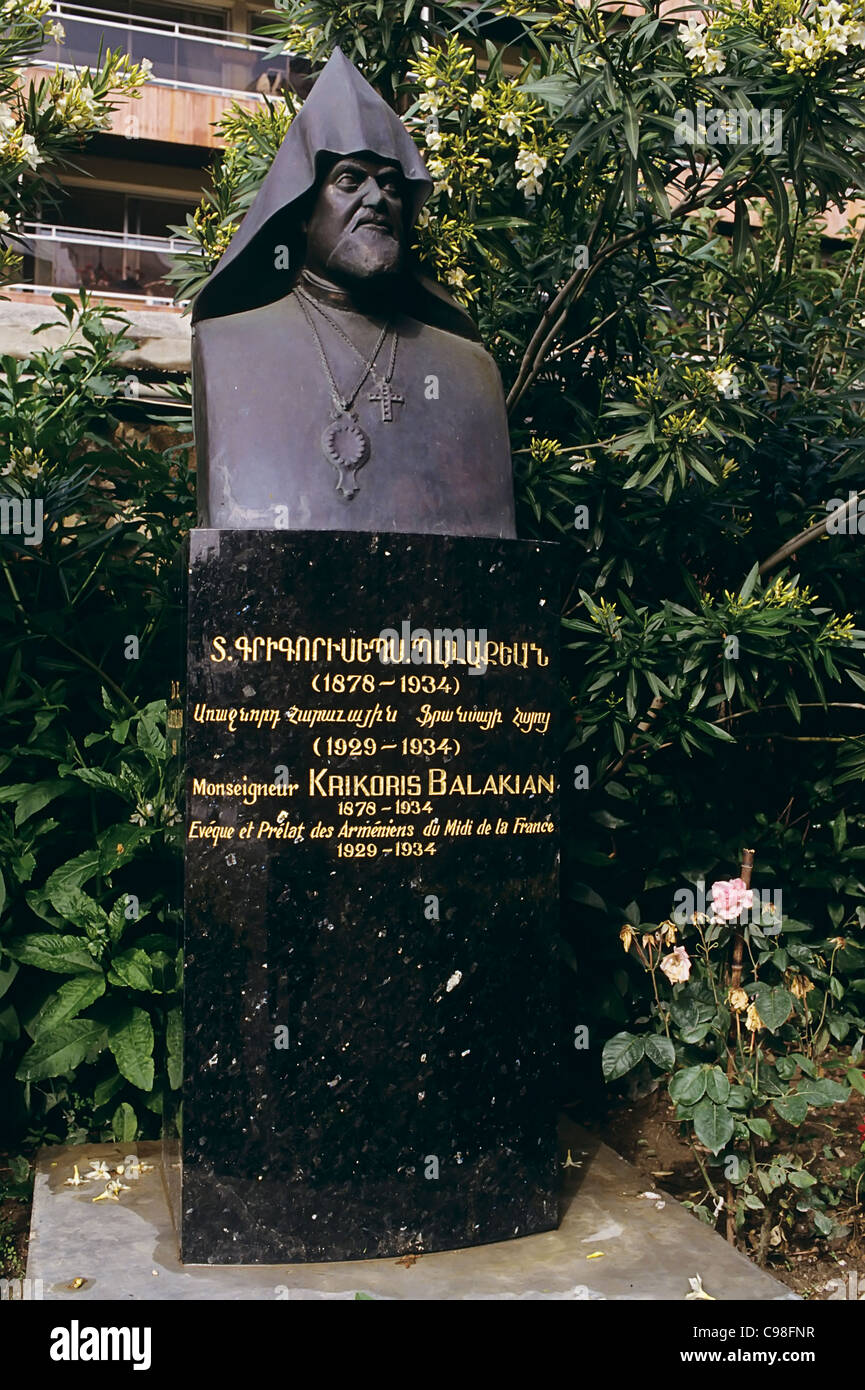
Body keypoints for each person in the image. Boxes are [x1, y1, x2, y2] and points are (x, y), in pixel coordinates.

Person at [191, 47, 515, 538]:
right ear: (302, 212)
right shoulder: (226, 348)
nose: (375, 199)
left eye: (389, 185)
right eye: (349, 180)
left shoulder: (469, 370)